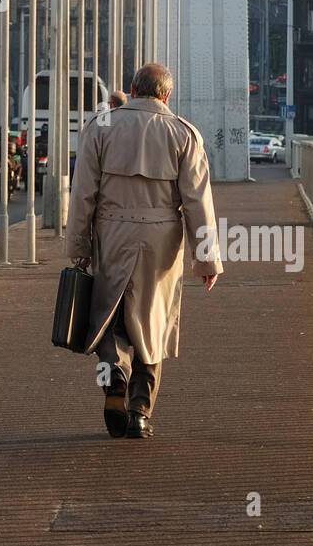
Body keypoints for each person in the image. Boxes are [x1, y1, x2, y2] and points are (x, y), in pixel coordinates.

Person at [64, 62, 222, 439]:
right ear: (166, 96)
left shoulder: (101, 128)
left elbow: (83, 192)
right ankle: (139, 411)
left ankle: (115, 374)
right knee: (154, 322)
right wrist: (207, 259)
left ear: (132, 91)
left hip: (112, 233)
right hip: (162, 239)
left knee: (110, 314)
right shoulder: (184, 134)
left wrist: (79, 245)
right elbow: (199, 201)